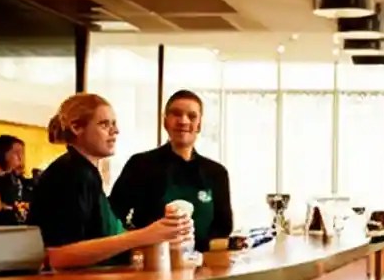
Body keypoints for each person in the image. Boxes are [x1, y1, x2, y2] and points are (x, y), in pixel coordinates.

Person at [28, 94, 191, 270]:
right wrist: (146, 236)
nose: (115, 131)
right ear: (76, 127)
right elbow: (58, 257)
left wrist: (156, 236)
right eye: (104, 124)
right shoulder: (71, 174)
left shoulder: (87, 173)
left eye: (114, 124)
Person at [109, 90, 233, 252]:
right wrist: (134, 245)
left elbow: (223, 228)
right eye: (176, 114)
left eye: (192, 116)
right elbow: (113, 215)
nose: (183, 121)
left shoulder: (216, 173)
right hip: (152, 264)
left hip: (204, 266)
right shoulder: (141, 164)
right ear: (165, 121)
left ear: (199, 125)